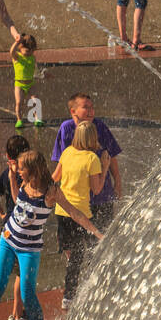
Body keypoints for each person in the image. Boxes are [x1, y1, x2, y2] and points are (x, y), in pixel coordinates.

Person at [0, 150, 102, 320]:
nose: (19, 172)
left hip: (29, 250)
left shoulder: (51, 192)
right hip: (7, 239)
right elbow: (17, 202)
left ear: (33, 170)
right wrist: (11, 178)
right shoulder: (24, 181)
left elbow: (74, 213)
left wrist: (96, 232)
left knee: (27, 292)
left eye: (22, 169)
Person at [52, 120, 110, 306]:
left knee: (73, 255)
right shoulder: (92, 159)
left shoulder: (67, 152)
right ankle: (76, 295)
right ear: (93, 138)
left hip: (61, 211)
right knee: (92, 251)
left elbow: (55, 178)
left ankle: (71, 293)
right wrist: (105, 166)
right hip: (81, 213)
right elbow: (97, 189)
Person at [51, 93, 122, 232]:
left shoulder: (100, 126)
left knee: (102, 237)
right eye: (86, 107)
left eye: (92, 107)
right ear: (73, 111)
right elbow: (62, 163)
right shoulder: (66, 129)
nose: (91, 111)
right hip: (75, 199)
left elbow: (111, 156)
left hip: (101, 195)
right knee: (72, 244)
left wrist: (118, 182)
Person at [0, 133, 30, 320]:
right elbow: (18, 198)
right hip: (19, 231)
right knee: (21, 274)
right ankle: (16, 316)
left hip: (8, 227)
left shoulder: (7, 172)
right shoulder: (22, 176)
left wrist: (2, 214)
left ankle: (19, 313)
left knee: (14, 275)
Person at [10, 31, 42, 129]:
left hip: (31, 83)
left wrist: (42, 74)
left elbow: (35, 70)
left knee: (36, 101)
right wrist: (16, 42)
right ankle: (19, 119)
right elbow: (11, 51)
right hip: (19, 84)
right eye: (27, 51)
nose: (29, 53)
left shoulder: (32, 57)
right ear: (20, 47)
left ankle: (37, 119)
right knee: (19, 102)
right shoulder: (17, 57)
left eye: (32, 51)